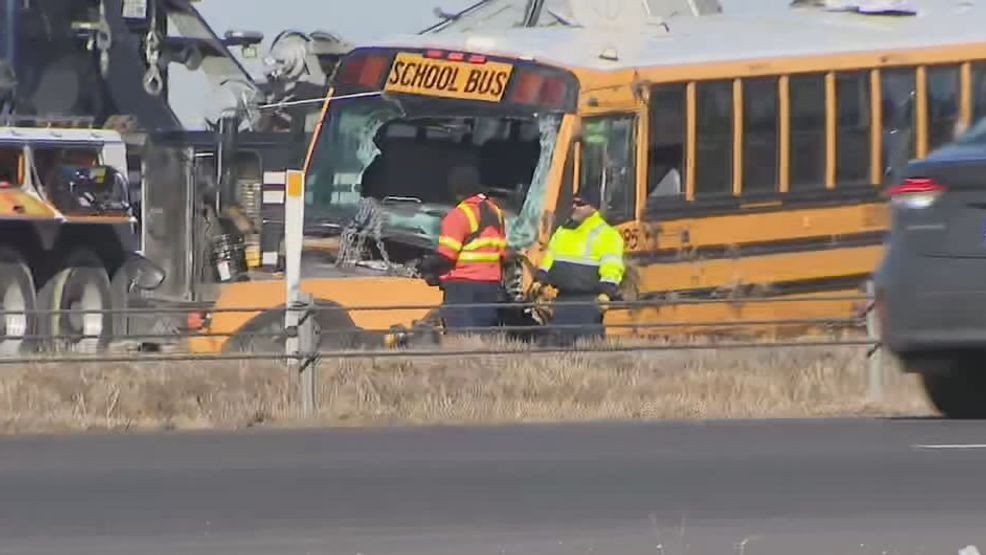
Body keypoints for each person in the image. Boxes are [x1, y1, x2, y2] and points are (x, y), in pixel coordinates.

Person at [418, 165, 508, 334]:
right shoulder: (496, 212)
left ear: (455, 189)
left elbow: (446, 256)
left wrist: (426, 265)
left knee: (461, 336)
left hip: (464, 286)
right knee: (483, 334)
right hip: (491, 284)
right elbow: (503, 252)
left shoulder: (459, 215)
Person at [534, 187, 625, 346]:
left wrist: (606, 293)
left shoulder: (607, 234)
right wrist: (540, 280)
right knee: (557, 346)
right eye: (573, 203)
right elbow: (550, 257)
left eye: (580, 203)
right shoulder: (563, 231)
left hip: (589, 301)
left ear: (593, 208)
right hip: (563, 298)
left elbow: (612, 266)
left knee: (586, 346)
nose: (574, 207)